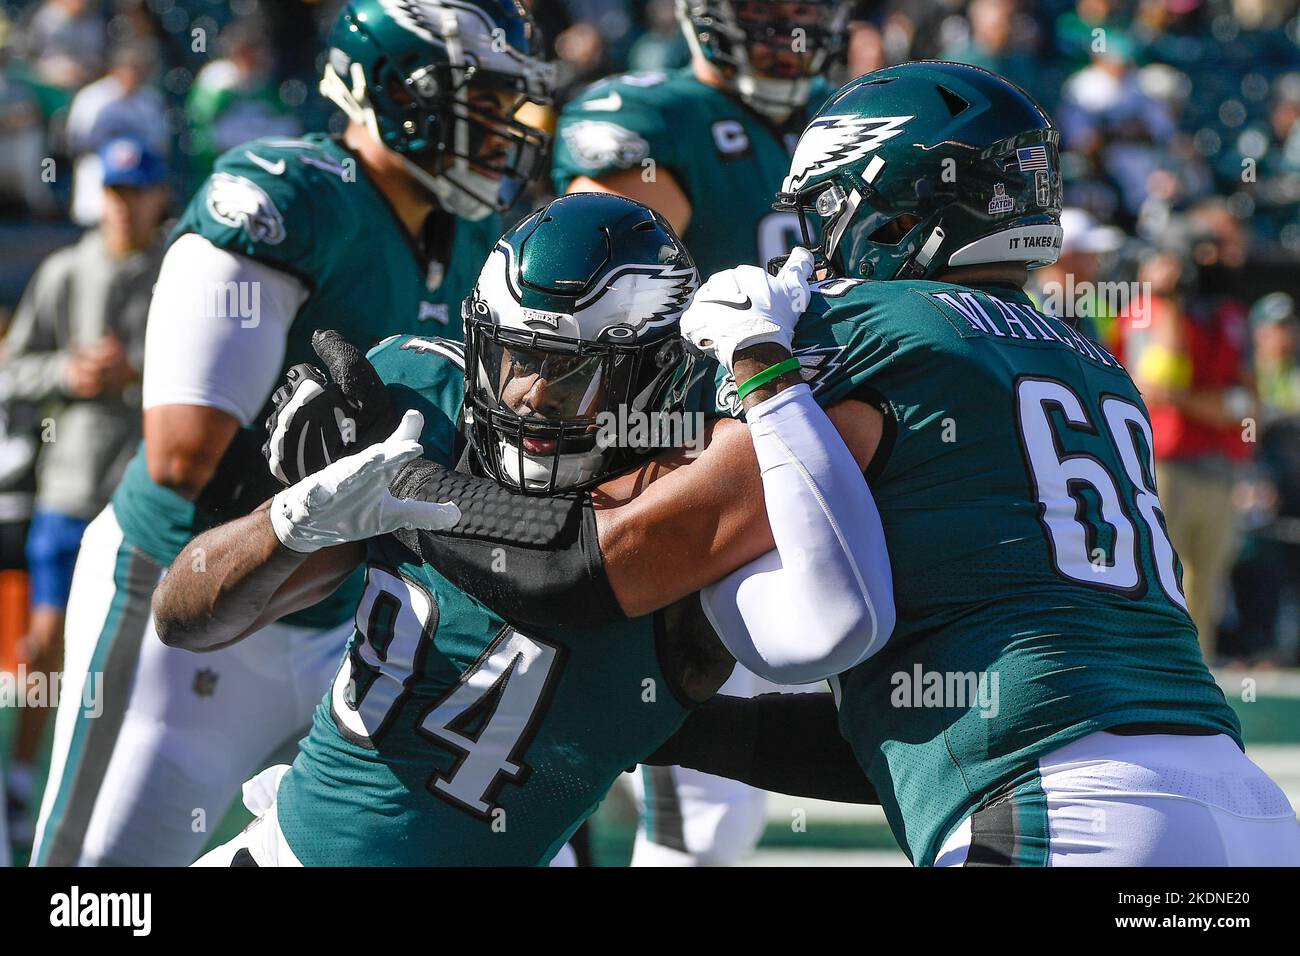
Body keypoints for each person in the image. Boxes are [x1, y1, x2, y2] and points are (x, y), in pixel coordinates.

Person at [308, 62, 1300, 866]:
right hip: (1238, 793)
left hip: (1062, 806)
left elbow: (595, 561)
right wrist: (663, 721)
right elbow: (889, 731)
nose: (813, 246)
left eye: (825, 211)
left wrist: (412, 486)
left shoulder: (858, 325)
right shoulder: (1092, 361)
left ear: (897, 210)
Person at [150, 192, 890, 865]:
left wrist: (411, 493)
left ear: (651, 374)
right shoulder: (425, 405)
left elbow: (574, 566)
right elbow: (186, 618)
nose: (531, 393)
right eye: (512, 358)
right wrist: (289, 521)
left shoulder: (698, 485)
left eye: (567, 371)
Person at [31, 0, 554, 867]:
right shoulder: (286, 194)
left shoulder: (474, 234)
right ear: (397, 91)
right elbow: (182, 459)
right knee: (100, 891)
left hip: (349, 622)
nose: (507, 130)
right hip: (190, 601)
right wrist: (341, 450)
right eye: (486, 101)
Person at [551, 0, 853, 865]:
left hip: (801, 472)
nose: (790, 27)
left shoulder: (854, 119)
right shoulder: (657, 118)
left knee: (724, 803)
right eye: (767, 8)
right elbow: (591, 290)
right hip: (680, 475)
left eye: (807, 8)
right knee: (698, 814)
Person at [0, 138, 167, 847]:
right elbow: (11, 374)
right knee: (44, 642)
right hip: (69, 489)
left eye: (138, 191)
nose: (125, 205)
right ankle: (19, 775)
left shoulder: (176, 277)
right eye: (115, 190)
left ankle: (129, 789)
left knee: (153, 654)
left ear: (159, 197)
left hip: (148, 496)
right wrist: (69, 374)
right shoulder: (66, 270)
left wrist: (138, 375)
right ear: (100, 195)